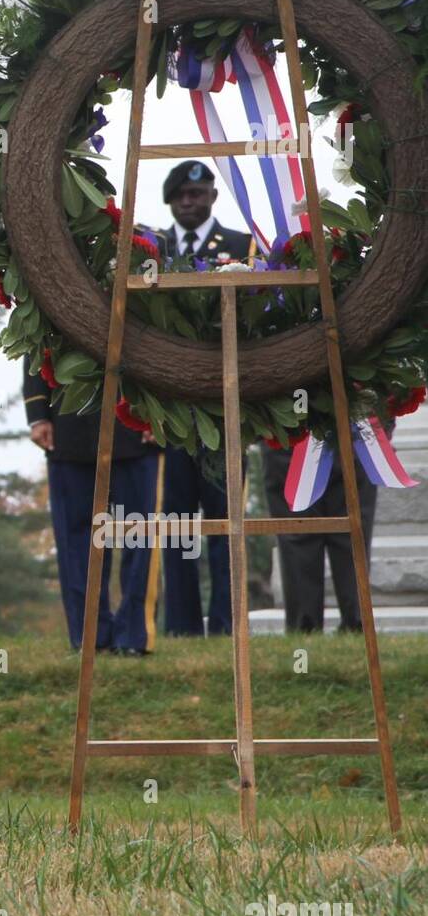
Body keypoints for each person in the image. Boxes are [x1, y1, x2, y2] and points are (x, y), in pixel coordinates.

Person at [158, 160, 252, 636]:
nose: (189, 202)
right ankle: (180, 626)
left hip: (224, 407)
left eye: (197, 193)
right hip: (171, 414)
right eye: (181, 196)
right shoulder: (154, 250)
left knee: (226, 522)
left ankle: (227, 623)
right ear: (171, 201)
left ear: (213, 196)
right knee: (175, 525)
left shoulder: (241, 247)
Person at [24, 358, 159, 654]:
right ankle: (89, 635)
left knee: (139, 533)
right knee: (76, 540)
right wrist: (38, 413)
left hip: (135, 417)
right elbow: (36, 339)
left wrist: (160, 410)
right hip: (69, 420)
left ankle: (134, 635)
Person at [262, 443, 379, 632]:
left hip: (352, 438)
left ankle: (354, 626)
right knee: (298, 535)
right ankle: (306, 631)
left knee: (353, 534)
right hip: (289, 441)